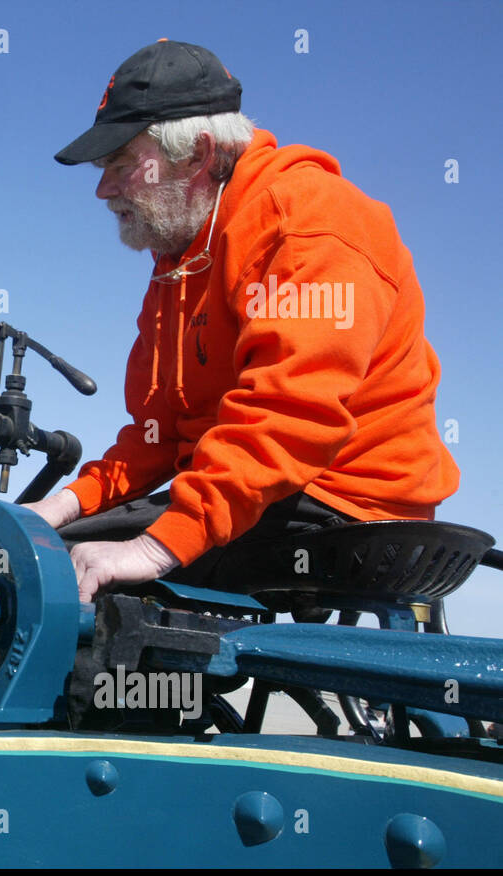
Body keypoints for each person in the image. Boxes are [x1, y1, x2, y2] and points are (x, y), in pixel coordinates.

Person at [26, 40, 459, 604]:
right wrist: (61, 505)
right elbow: (158, 434)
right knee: (22, 551)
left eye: (121, 165)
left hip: (346, 505)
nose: (103, 189)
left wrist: (157, 548)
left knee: (58, 588)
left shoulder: (307, 221)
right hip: (251, 489)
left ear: (199, 154)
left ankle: (133, 695)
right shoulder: (181, 258)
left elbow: (293, 415)